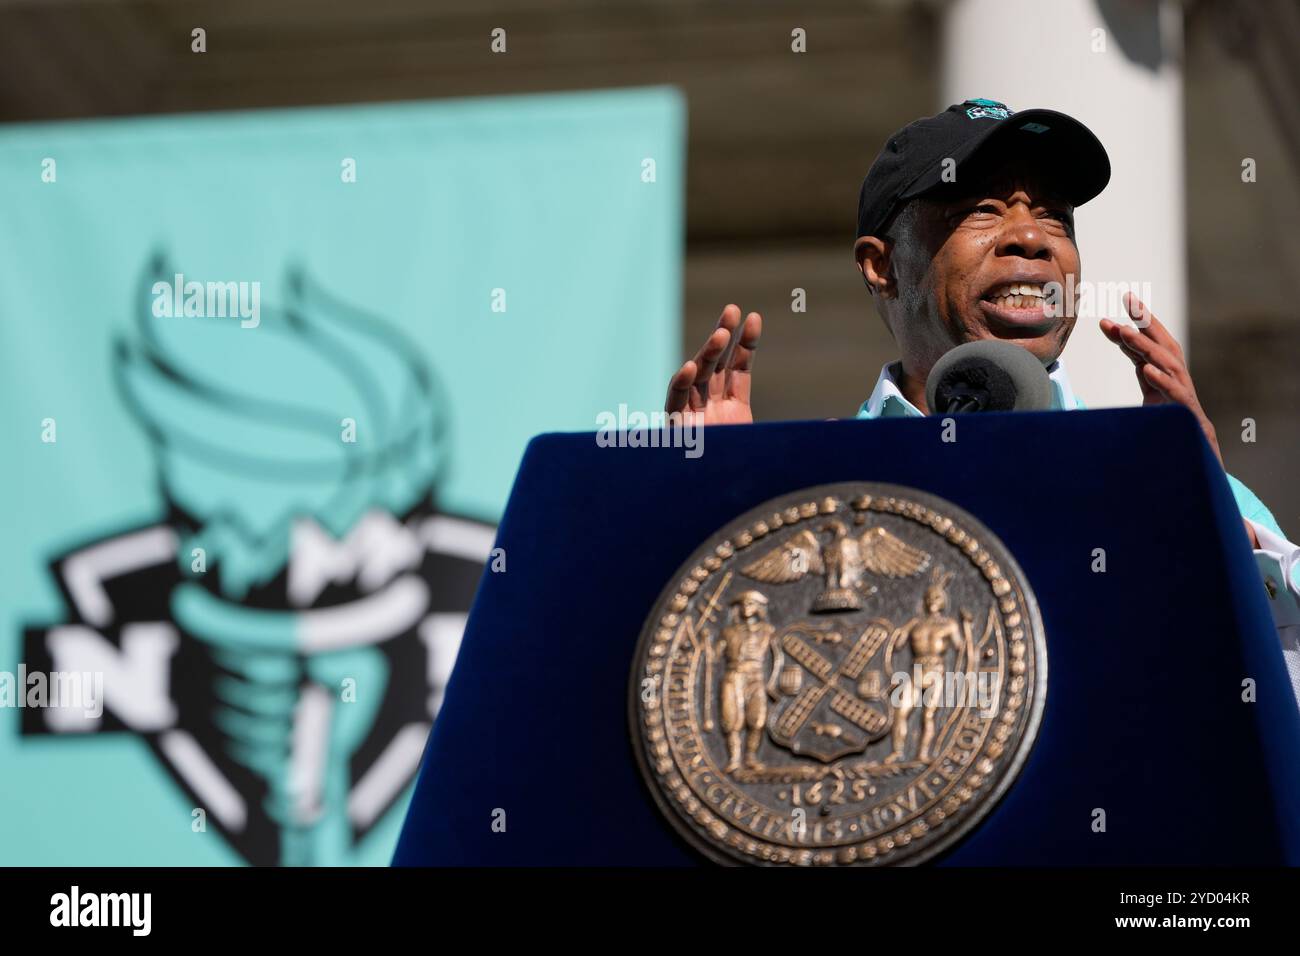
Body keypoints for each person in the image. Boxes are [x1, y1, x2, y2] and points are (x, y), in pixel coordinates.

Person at [664, 98, 1300, 705]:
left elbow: (1269, 709)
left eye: (1055, 215)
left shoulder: (1190, 483)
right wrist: (722, 515)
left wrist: (1202, 509)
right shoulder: (809, 483)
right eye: (982, 209)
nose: (1032, 238)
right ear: (881, 266)